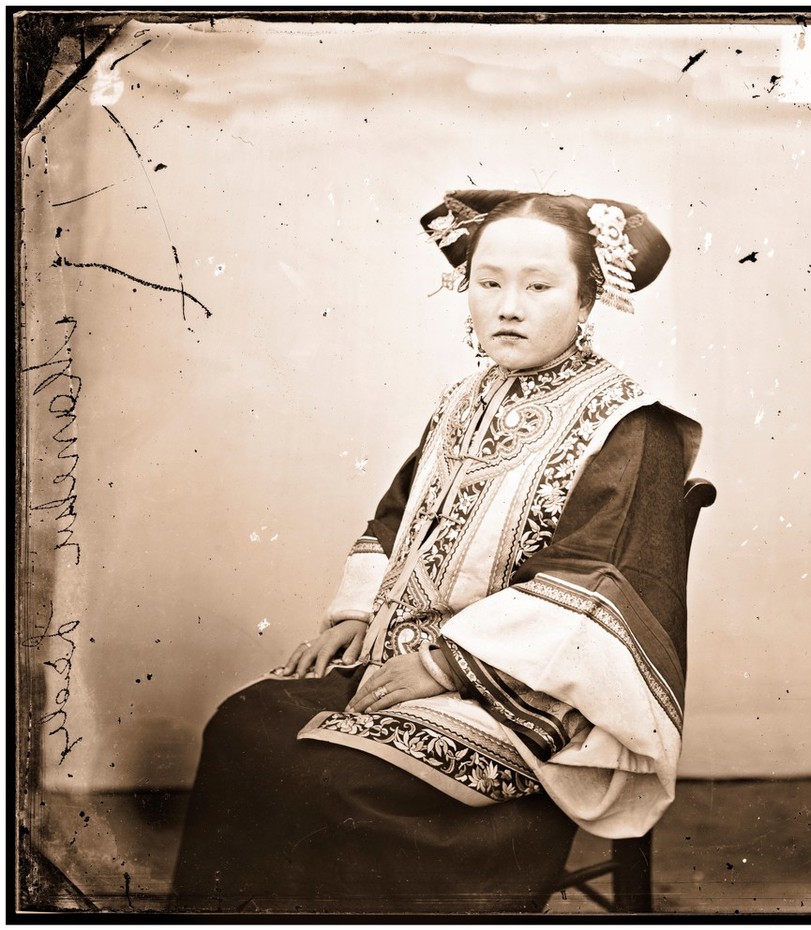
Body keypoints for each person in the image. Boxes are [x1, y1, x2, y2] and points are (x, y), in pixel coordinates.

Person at [172, 189, 702, 915]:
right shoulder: (465, 398)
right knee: (243, 726)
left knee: (335, 777)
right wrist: (354, 615)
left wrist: (443, 665)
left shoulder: (631, 426)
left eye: (539, 287)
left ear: (586, 300)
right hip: (401, 649)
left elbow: (596, 584)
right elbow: (398, 514)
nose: (507, 308)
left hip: (531, 697)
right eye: (489, 283)